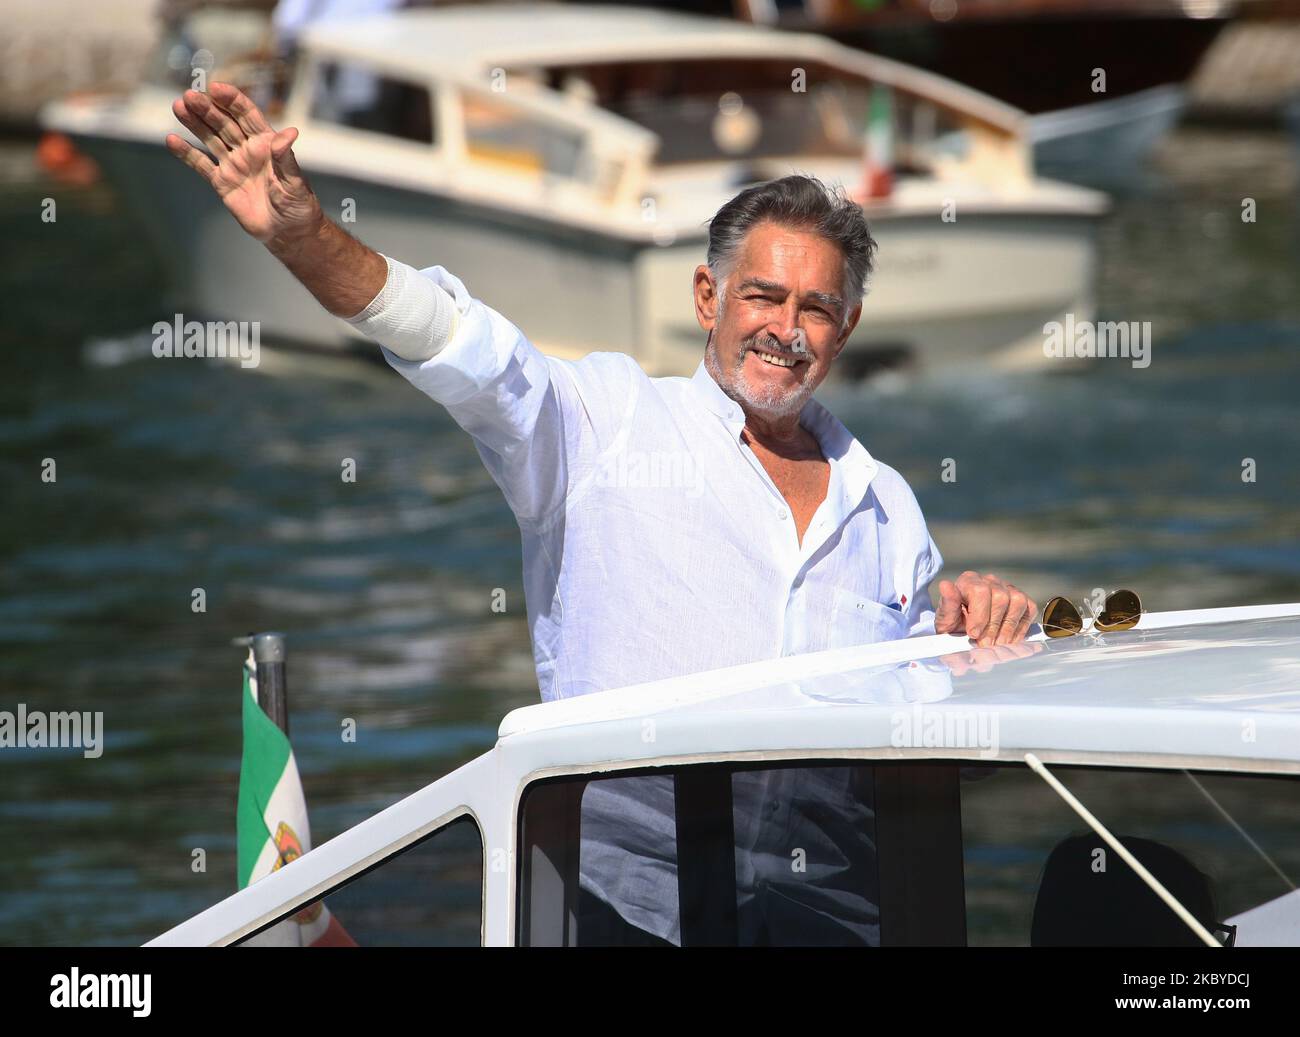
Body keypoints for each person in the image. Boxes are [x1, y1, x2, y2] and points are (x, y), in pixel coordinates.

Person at [165, 83, 1039, 943]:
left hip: (833, 916)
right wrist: (304, 236)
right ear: (708, 298)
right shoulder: (605, 423)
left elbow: (921, 712)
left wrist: (983, 633)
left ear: (845, 330)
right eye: (764, 296)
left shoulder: (888, 506)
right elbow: (457, 344)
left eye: (816, 308)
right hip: (625, 908)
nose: (787, 328)